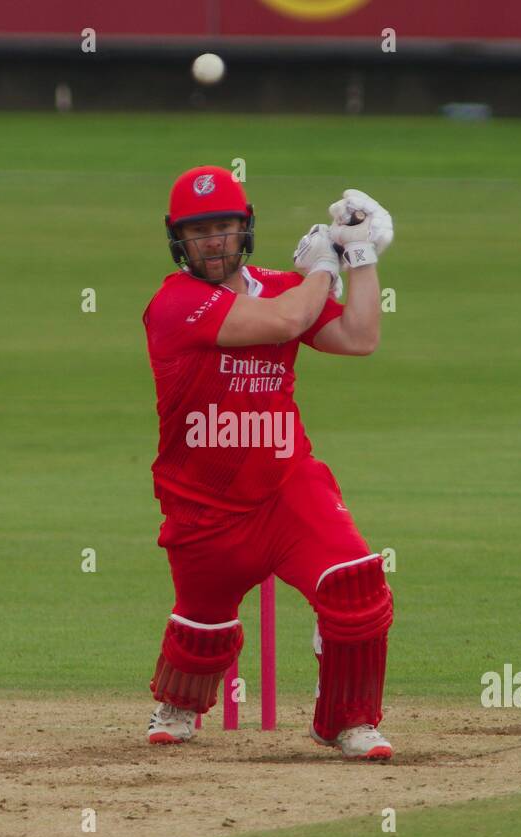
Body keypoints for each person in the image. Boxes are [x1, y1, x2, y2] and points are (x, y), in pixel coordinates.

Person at [140, 165, 396, 760]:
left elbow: (360, 337)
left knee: (356, 585)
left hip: (285, 483)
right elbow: (285, 321)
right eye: (199, 231)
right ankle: (179, 703)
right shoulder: (175, 303)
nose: (213, 242)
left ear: (245, 229)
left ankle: (347, 720)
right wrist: (324, 267)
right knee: (203, 627)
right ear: (177, 237)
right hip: (202, 499)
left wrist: (359, 258)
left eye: (224, 228)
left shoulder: (286, 285)